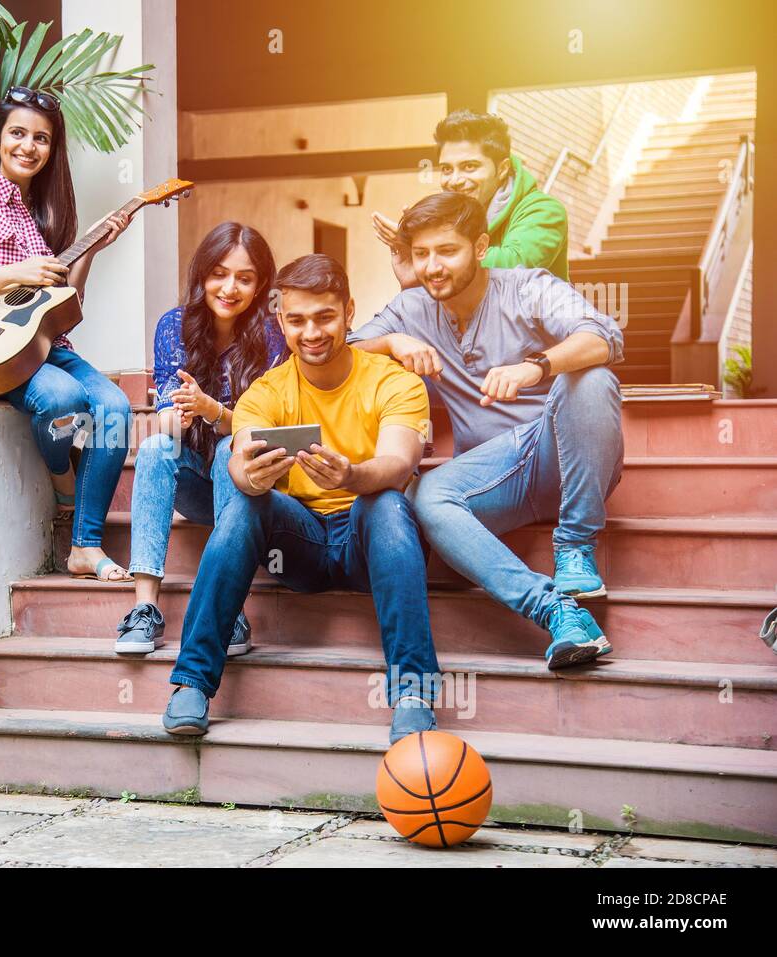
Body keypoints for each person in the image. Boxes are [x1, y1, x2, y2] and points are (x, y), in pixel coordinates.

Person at [161, 254, 443, 744]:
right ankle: (192, 683)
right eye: (297, 320)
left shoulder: (393, 381)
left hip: (366, 537)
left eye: (325, 317)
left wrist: (352, 475)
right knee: (245, 506)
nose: (311, 332)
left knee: (388, 502)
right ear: (282, 323)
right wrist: (248, 477)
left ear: (349, 312)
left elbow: (398, 463)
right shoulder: (266, 392)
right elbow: (239, 463)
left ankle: (414, 693)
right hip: (301, 545)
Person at [349, 191, 624, 670]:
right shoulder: (411, 308)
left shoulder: (527, 287)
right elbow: (338, 351)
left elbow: (604, 335)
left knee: (592, 379)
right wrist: (392, 339)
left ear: (479, 247)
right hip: (494, 476)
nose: (433, 266)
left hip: (562, 453)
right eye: (421, 255)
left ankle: (576, 547)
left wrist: (536, 367)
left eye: (447, 251)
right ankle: (558, 612)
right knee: (425, 496)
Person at [0, 86, 135, 582]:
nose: (28, 146)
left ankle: (84, 546)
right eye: (17, 133)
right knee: (61, 400)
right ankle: (64, 477)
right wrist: (15, 272)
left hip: (43, 344)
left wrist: (89, 253)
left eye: (41, 138)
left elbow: (65, 309)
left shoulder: (37, 213)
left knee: (118, 410)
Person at [114, 222, 287, 656]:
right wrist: (177, 414)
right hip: (196, 482)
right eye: (219, 274)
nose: (230, 288)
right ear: (202, 275)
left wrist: (213, 410)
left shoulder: (272, 335)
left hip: (252, 482)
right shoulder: (175, 326)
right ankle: (144, 609)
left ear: (261, 284)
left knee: (234, 445)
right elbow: (169, 421)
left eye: (245, 278)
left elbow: (265, 431)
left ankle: (229, 608)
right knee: (156, 446)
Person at [374, 109, 570, 287]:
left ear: (501, 169)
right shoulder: (449, 215)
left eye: (469, 167)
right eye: (447, 169)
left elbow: (512, 265)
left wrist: (428, 245)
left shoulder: (545, 210)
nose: (454, 180)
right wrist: (413, 280)